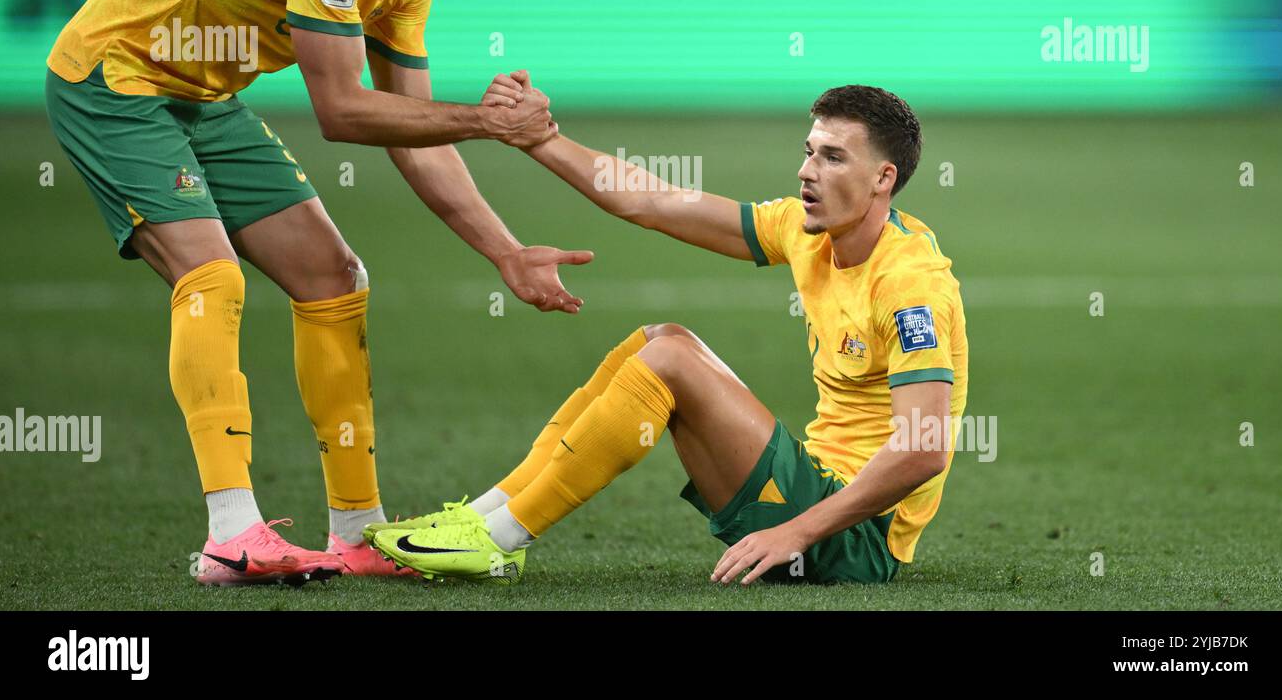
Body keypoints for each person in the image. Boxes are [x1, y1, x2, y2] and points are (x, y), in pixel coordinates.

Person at [43, 0, 592, 586]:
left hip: (198, 92)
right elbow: (342, 110)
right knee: (212, 275)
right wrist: (485, 121)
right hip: (114, 76)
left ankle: (358, 535)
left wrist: (504, 252)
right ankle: (230, 536)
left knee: (335, 278)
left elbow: (412, 132)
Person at [370, 82, 968, 586]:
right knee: (657, 338)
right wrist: (541, 140)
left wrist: (794, 532)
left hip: (855, 540)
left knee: (673, 361)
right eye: (809, 152)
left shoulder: (910, 285)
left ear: (883, 178)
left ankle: (500, 541)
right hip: (816, 491)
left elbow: (924, 449)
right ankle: (481, 517)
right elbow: (654, 202)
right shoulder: (805, 230)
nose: (806, 172)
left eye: (833, 158)